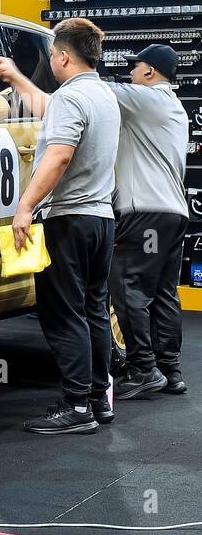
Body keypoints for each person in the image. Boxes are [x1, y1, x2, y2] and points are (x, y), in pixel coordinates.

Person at [0, 18, 120, 435]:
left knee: (63, 314)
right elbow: (51, 110)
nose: (52, 62)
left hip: (69, 220)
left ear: (63, 55)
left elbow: (59, 155)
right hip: (101, 220)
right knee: (93, 310)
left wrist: (25, 205)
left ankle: (76, 407)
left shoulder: (71, 98)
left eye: (52, 57)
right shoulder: (102, 95)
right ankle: (99, 399)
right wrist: (17, 77)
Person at [105, 44, 190, 397]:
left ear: (150, 72)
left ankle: (143, 368)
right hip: (173, 213)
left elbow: (92, 88)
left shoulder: (147, 99)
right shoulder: (175, 106)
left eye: (135, 67)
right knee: (164, 293)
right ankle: (170, 370)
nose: (131, 73)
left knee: (129, 290)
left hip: (146, 213)